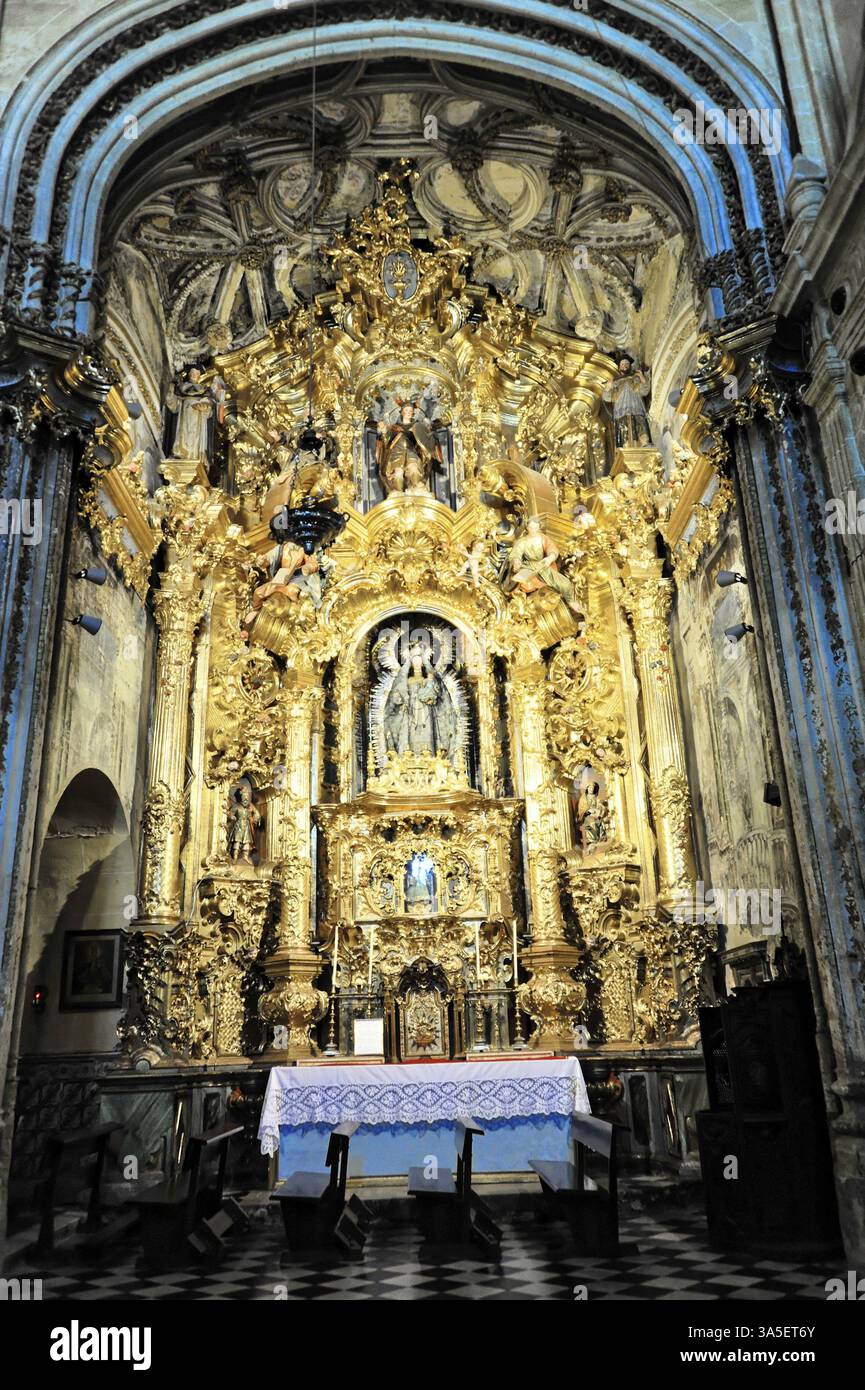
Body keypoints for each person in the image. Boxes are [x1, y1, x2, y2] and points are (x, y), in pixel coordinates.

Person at [502, 516, 583, 620]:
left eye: (535, 527)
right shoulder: (522, 541)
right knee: (525, 583)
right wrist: (516, 561)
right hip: (528, 566)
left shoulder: (542, 538)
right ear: (527, 527)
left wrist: (550, 558)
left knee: (565, 583)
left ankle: (571, 601)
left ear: (539, 527)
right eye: (531, 527)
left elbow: (551, 548)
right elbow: (516, 553)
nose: (533, 530)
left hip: (543, 565)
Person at [602, 355, 652, 448]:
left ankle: (644, 443)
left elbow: (644, 391)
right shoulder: (616, 383)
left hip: (636, 409)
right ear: (619, 367)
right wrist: (608, 388)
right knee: (625, 436)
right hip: (621, 413)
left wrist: (642, 378)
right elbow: (607, 398)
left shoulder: (635, 379)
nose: (625, 366)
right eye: (622, 364)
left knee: (642, 433)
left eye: (627, 364)